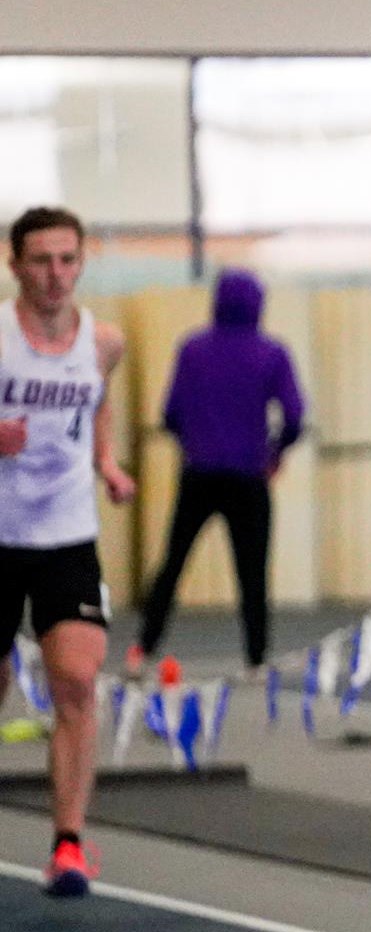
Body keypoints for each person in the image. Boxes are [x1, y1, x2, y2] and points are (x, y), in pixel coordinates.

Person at [0, 206, 138, 897]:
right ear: (14, 264)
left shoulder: (103, 342)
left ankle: (69, 844)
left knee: (78, 684)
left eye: (66, 260)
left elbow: (98, 401)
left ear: (81, 263)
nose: (55, 275)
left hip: (66, 535)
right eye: (41, 261)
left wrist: (107, 464)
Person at [128, 268, 304, 679]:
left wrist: (196, 440)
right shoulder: (272, 353)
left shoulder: (193, 349)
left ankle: (142, 650)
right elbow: (294, 415)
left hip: (199, 473)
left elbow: (170, 413)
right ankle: (256, 660)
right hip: (248, 476)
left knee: (173, 563)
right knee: (252, 570)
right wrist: (275, 451)